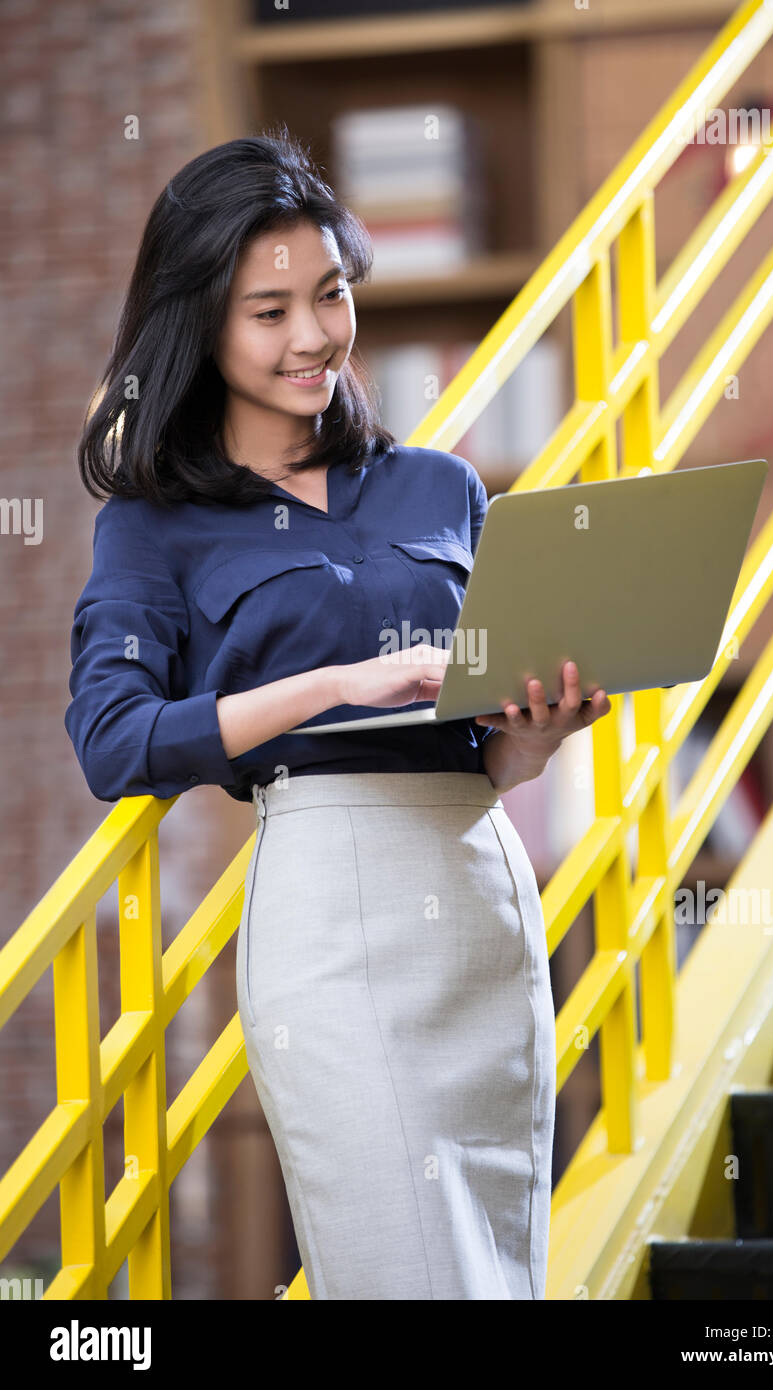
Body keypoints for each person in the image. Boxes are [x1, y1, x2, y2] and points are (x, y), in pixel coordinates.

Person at [65, 128, 611, 1300]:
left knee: (499, 1269)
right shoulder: (153, 524)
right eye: (268, 312)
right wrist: (335, 685)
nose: (313, 335)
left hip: (476, 895)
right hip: (328, 920)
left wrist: (536, 732)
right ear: (198, 325)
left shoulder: (440, 487)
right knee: (402, 1269)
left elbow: (478, 749)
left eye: (330, 294)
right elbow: (115, 739)